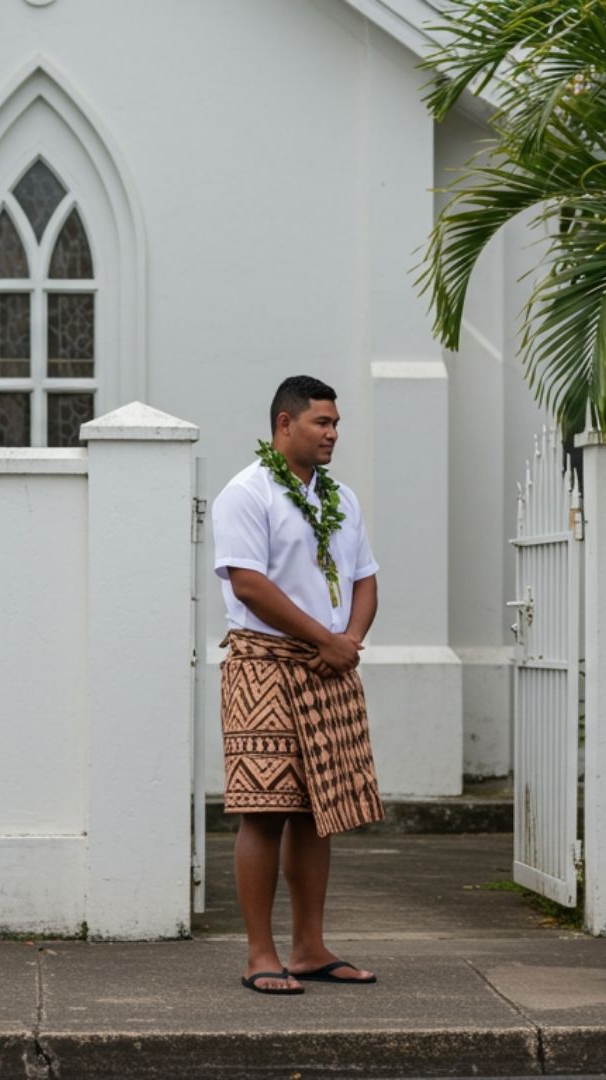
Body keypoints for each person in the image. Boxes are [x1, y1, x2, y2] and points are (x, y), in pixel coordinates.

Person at [210, 375, 385, 995]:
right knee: (264, 811)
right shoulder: (247, 491)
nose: (333, 434)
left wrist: (349, 641)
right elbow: (248, 583)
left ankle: (309, 948)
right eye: (322, 423)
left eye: (336, 424)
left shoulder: (342, 497)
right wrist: (324, 639)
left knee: (319, 812)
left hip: (328, 666)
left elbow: (364, 578)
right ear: (285, 424)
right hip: (264, 665)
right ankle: (260, 954)